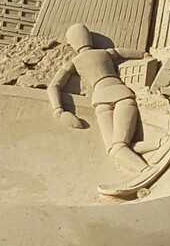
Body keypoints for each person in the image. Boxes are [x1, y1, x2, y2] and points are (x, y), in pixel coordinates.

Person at [47, 23, 149, 171]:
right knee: (119, 145)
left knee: (115, 147)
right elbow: (133, 54)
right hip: (120, 93)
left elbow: (54, 86)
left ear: (71, 45)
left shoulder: (73, 63)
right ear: (90, 39)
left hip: (101, 100)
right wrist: (146, 56)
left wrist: (59, 110)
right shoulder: (106, 53)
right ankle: (151, 160)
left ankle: (147, 166)